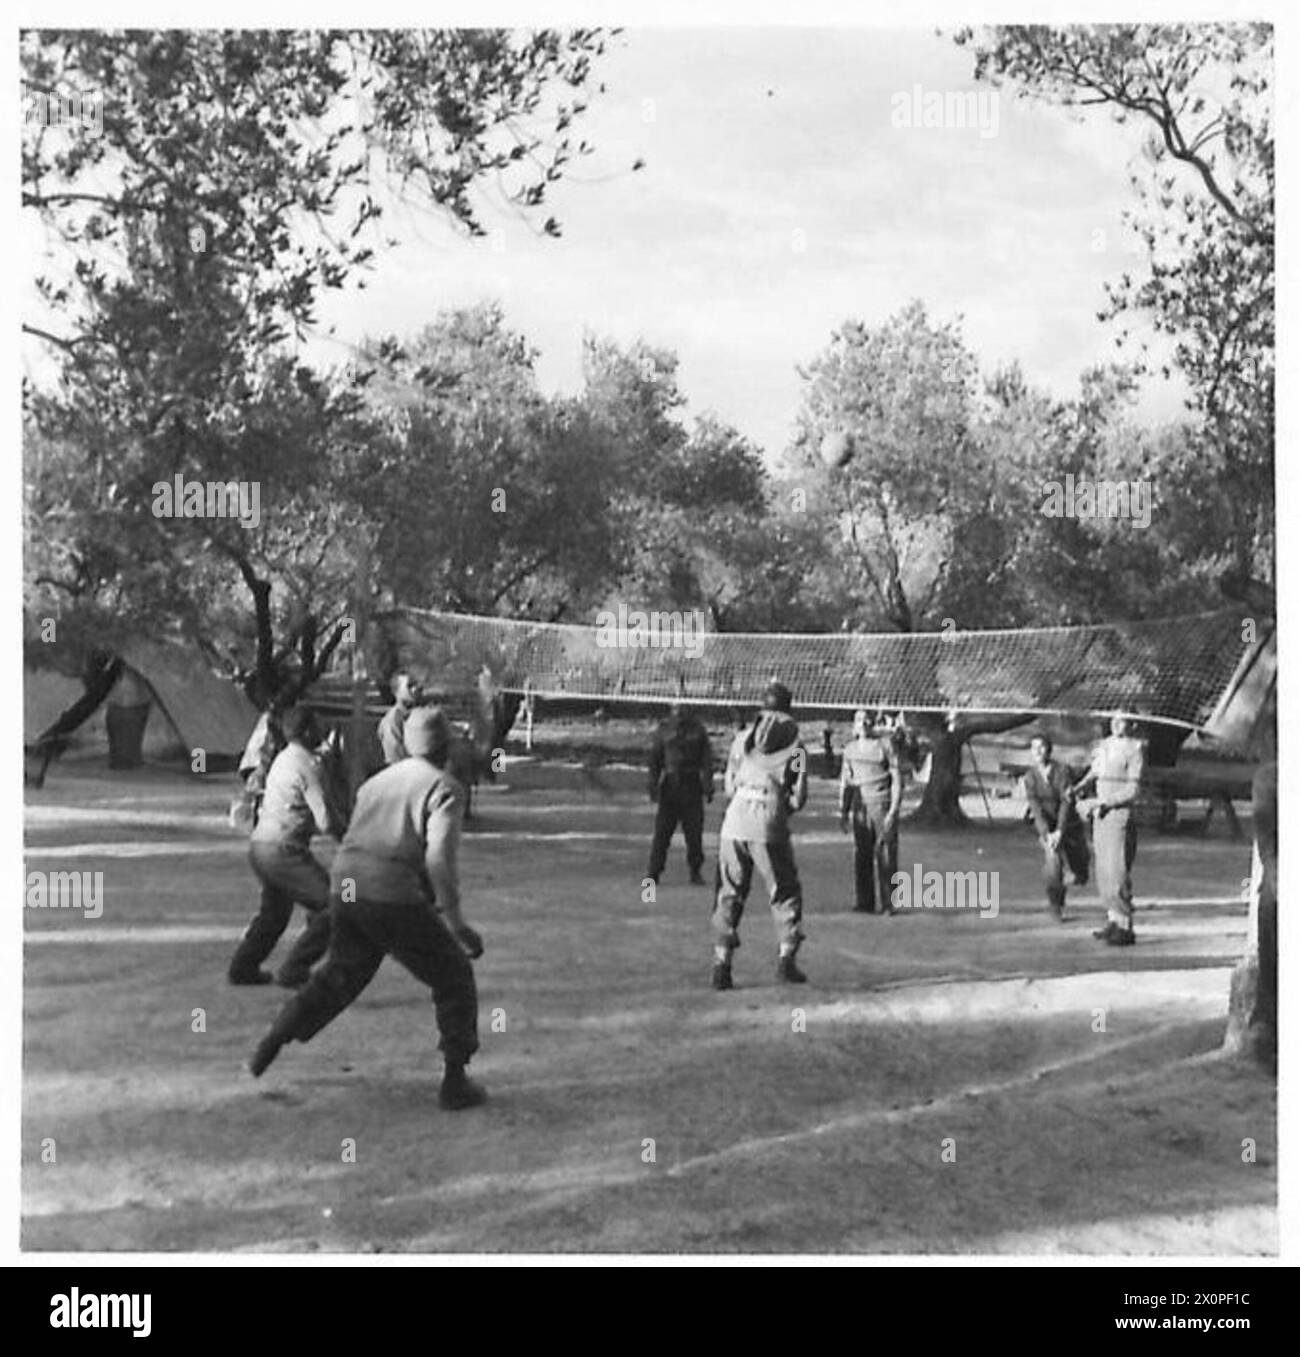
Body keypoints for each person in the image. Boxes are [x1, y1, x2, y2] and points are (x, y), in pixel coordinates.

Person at [248, 706, 487, 1111]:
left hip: (347, 884)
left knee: (340, 974)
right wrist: (457, 922)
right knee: (454, 975)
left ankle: (279, 1033)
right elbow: (439, 861)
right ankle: (455, 1079)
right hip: (389, 891)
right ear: (445, 745)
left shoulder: (377, 783)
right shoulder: (444, 788)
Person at [228, 705, 339, 987]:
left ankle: (243, 968)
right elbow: (325, 820)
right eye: (318, 726)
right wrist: (349, 840)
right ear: (306, 731)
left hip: (260, 847)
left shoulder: (284, 757)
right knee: (333, 905)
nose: (323, 731)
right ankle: (294, 969)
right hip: (284, 851)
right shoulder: (308, 765)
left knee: (274, 914)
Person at [711, 680, 809, 990]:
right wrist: (783, 806)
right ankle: (786, 962)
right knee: (785, 891)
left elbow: (728, 786)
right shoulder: (797, 747)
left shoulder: (740, 739)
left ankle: (721, 967)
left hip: (735, 822)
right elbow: (800, 797)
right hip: (770, 822)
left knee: (729, 892)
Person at [1069, 713, 1147, 946]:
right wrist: (1079, 786)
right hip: (1099, 815)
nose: (1116, 723)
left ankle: (1125, 925)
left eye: (1121, 719)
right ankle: (1112, 920)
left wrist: (1106, 803)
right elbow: (1096, 770)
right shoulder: (1104, 745)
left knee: (1117, 869)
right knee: (1103, 869)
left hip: (1118, 815)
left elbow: (1133, 790)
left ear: (1131, 723)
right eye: (1113, 719)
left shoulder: (1135, 749)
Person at [839, 708, 902, 914]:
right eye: (859, 720)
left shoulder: (885, 746)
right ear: (854, 725)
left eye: (867, 720)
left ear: (872, 723)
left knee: (885, 854)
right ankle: (864, 902)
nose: (864, 724)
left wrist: (893, 809)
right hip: (860, 806)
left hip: (881, 804)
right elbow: (846, 783)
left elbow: (897, 780)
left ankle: (889, 903)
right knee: (862, 854)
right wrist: (844, 811)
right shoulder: (849, 750)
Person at [1019, 734, 1089, 921]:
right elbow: (1035, 809)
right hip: (1048, 830)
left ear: (1049, 749)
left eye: (1042, 747)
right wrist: (1047, 833)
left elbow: (1067, 803)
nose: (1038, 751)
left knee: (1080, 874)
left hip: (1070, 826)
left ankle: (1071, 876)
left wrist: (1060, 830)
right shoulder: (1030, 777)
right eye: (1034, 748)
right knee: (1053, 864)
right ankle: (1055, 906)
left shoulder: (1062, 771)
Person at [646, 703, 714, 885]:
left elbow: (707, 760)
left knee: (694, 833)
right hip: (670, 785)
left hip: (691, 784)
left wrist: (708, 784)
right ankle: (653, 874)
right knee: (662, 833)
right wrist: (652, 784)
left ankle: (695, 870)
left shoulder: (698, 731)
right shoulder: (664, 730)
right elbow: (655, 760)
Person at [377, 672, 426, 765]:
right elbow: (396, 755)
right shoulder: (392, 720)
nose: (416, 688)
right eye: (410, 686)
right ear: (397, 691)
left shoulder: (422, 714)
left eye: (416, 684)